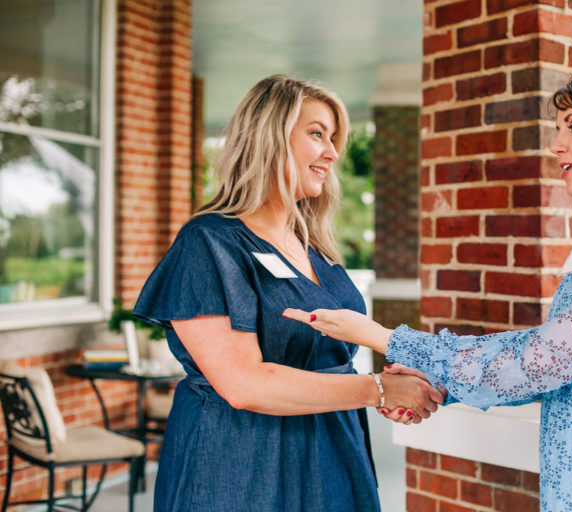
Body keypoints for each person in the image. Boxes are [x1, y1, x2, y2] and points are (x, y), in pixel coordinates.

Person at [284, 63, 572, 510]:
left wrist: (382, 337)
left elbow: (540, 361)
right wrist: (440, 385)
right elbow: (565, 361)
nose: (556, 144)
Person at [133, 75, 443, 512]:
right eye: (317, 134)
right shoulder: (208, 243)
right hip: (241, 462)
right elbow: (243, 384)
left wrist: (382, 388)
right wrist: (375, 389)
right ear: (269, 137)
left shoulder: (316, 246)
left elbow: (333, 358)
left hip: (334, 451)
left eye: (334, 138)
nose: (332, 153)